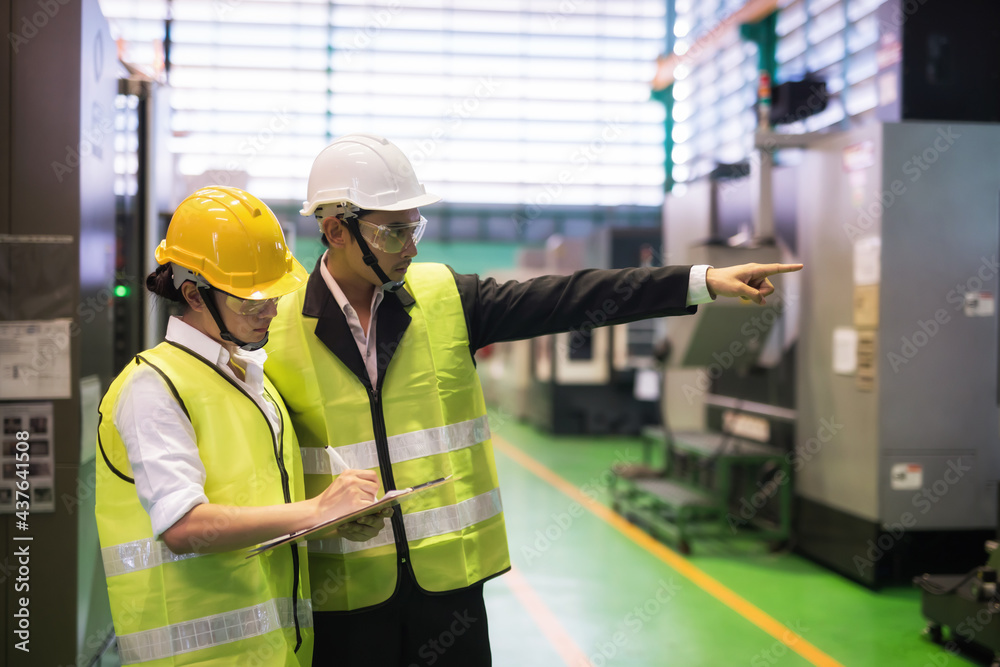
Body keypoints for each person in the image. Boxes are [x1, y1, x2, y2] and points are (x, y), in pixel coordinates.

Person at [264, 134, 803, 666]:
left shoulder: (446, 297)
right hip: (345, 596)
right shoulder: (273, 333)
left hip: (449, 588)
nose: (412, 246)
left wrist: (699, 281)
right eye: (394, 232)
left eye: (415, 227)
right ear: (335, 230)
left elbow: (569, 298)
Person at [95, 186, 388, 666]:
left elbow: (259, 512)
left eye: (273, 297)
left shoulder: (252, 379)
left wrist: (331, 520)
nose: (270, 312)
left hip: (274, 649)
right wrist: (316, 510)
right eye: (252, 303)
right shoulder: (153, 387)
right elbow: (183, 525)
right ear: (193, 294)